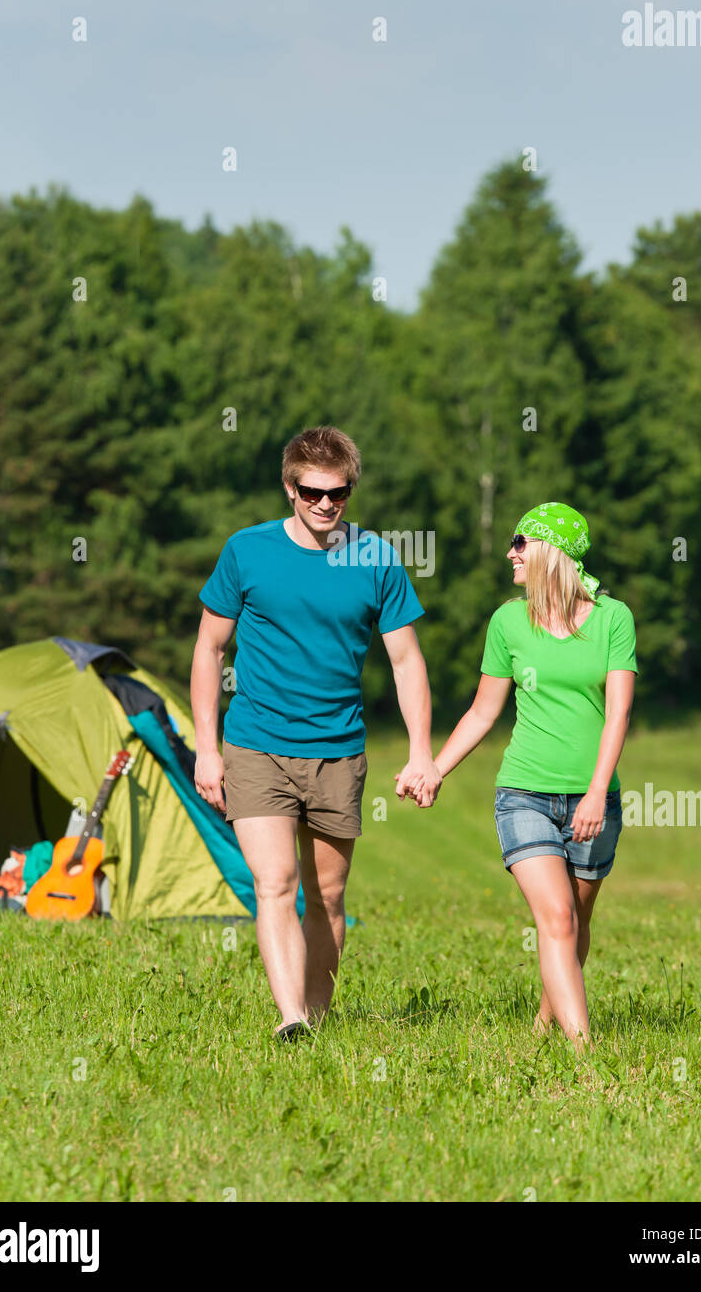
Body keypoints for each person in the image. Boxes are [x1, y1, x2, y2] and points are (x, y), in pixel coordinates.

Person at [191, 426, 441, 1041]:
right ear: (289, 488)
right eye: (311, 492)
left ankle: (317, 1016)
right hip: (255, 743)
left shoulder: (376, 558)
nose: (325, 504)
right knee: (274, 883)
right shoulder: (246, 552)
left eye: (339, 493)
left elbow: (406, 662)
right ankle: (291, 1019)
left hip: (338, 751)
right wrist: (205, 747)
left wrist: (420, 752)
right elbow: (208, 648)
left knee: (327, 897)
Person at [402, 502, 637, 1052]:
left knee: (574, 922)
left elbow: (619, 713)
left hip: (593, 797)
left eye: (520, 542)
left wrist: (597, 793)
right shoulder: (508, 620)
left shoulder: (612, 618)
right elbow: (483, 711)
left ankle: (545, 1021)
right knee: (554, 916)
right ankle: (585, 1058)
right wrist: (434, 768)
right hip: (524, 792)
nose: (510, 553)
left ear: (551, 552)